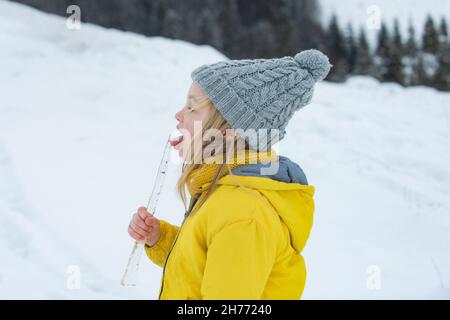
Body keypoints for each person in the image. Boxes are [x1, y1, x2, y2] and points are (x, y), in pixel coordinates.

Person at [128, 49, 332, 299]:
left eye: (192, 108)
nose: (179, 115)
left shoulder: (244, 215)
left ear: (228, 133)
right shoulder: (224, 193)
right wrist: (160, 239)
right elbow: (206, 264)